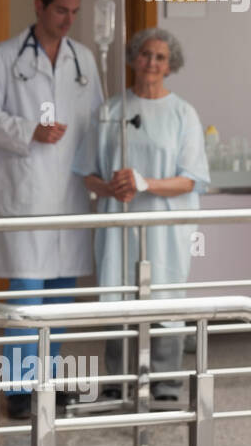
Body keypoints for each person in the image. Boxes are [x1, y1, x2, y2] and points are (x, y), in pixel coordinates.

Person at [0, 0, 103, 419]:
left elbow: (97, 121)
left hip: (70, 195)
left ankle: (48, 381)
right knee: (26, 299)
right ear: (40, 6)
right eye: (61, 10)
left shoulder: (84, 60)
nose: (68, 19)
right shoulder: (4, 56)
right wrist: (29, 130)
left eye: (75, 12)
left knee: (61, 297)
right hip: (26, 196)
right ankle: (18, 389)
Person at [72, 27, 210, 404]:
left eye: (160, 57)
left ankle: (165, 384)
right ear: (134, 58)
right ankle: (118, 381)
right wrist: (110, 188)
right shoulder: (110, 112)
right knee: (119, 295)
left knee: (165, 296)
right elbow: (87, 173)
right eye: (146, 54)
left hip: (166, 224)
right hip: (119, 222)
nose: (151, 62)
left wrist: (145, 183)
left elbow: (191, 179)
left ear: (171, 65)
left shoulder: (183, 114)